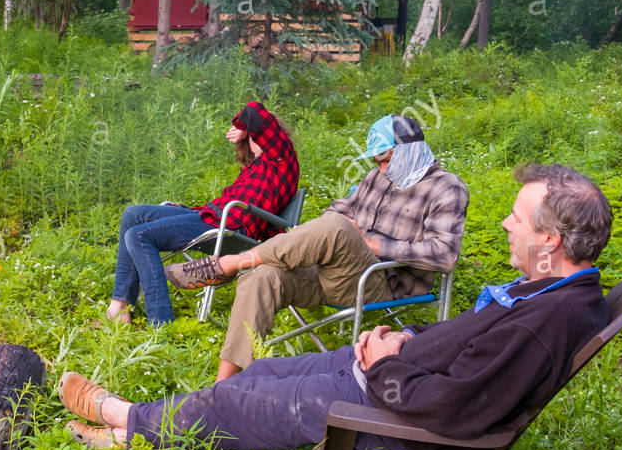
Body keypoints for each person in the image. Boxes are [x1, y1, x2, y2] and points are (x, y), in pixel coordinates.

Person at [60, 164, 613, 450]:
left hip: (403, 424)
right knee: (260, 375)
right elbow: (466, 355)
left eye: (516, 219)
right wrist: (406, 338)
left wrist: (386, 365)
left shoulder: (546, 322)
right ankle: (142, 432)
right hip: (392, 373)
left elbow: (456, 407)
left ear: (550, 239)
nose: (503, 224)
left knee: (238, 403)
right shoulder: (548, 289)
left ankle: (123, 417)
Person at [167, 114, 468, 382]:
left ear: (409, 150)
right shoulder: (376, 178)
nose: (383, 169)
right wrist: (338, 233)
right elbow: (339, 209)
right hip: (334, 274)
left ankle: (229, 263)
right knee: (264, 274)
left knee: (338, 227)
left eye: (387, 160)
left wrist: (372, 245)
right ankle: (223, 387)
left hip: (382, 283)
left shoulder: (446, 188)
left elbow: (444, 254)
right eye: (378, 162)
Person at [105, 101, 300, 327]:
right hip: (213, 217)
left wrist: (243, 126)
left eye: (256, 135)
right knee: (133, 214)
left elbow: (253, 110)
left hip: (232, 227)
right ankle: (120, 305)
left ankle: (161, 322)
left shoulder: (281, 159)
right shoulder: (256, 166)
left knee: (139, 236)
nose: (253, 140)